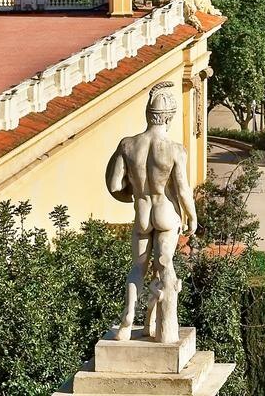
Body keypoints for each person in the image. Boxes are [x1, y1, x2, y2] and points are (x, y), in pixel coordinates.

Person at [105, 81, 197, 344]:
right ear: (169, 117)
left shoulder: (128, 145)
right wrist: (192, 216)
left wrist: (132, 195)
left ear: (148, 114)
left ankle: (129, 318)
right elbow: (182, 189)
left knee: (138, 268)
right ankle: (165, 331)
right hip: (165, 214)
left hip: (142, 213)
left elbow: (114, 185)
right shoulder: (175, 149)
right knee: (164, 265)